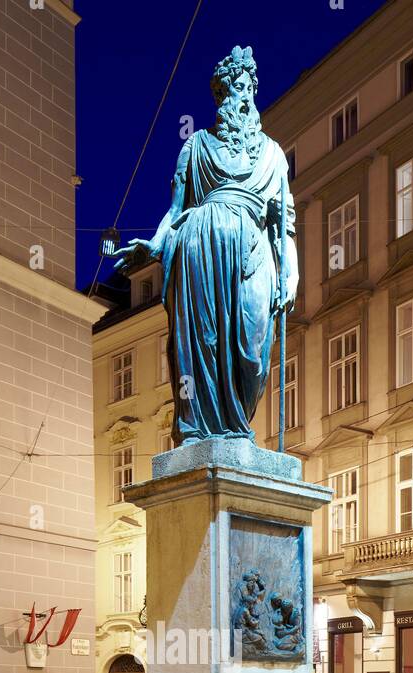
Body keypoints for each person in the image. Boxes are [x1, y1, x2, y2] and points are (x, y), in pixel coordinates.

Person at [115, 46, 298, 443]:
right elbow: (175, 211)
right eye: (234, 87)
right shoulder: (194, 147)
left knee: (253, 351)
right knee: (203, 342)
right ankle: (198, 427)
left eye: (248, 87)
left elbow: (285, 226)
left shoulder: (272, 155)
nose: (243, 96)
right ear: (220, 96)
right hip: (199, 250)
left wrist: (291, 274)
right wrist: (155, 245)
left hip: (252, 252)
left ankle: (237, 426)